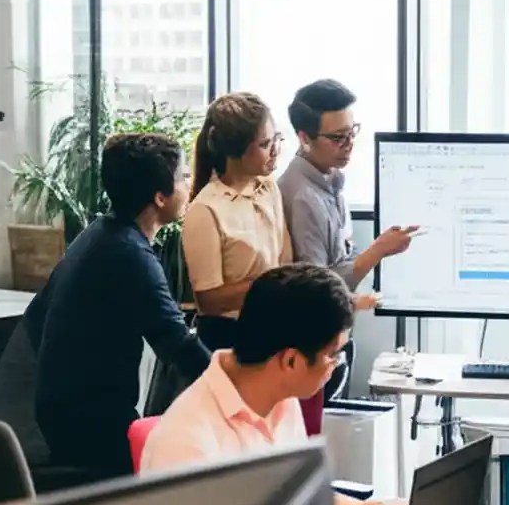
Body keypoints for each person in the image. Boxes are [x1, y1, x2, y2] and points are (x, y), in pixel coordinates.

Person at [140, 263, 406, 505]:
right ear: (291, 361)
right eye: (333, 354)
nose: (336, 365)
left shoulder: (280, 399)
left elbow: (295, 500)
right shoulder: (184, 443)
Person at [32, 133, 211, 477]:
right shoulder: (130, 254)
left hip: (63, 408)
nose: (189, 185)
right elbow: (177, 344)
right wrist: (236, 386)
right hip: (91, 421)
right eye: (184, 177)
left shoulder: (100, 234)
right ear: (160, 197)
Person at [278, 79, 418, 435]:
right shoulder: (302, 196)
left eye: (352, 132)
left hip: (335, 342)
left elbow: (341, 255)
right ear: (304, 137)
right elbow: (316, 287)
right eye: (337, 138)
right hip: (310, 348)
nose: (349, 145)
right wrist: (378, 250)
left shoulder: (331, 180)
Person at [182, 92, 292, 353]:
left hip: (272, 327)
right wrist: (271, 285)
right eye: (265, 144)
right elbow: (209, 301)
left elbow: (286, 261)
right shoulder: (205, 209)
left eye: (277, 139)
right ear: (235, 150)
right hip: (229, 339)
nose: (275, 151)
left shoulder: (268, 189)